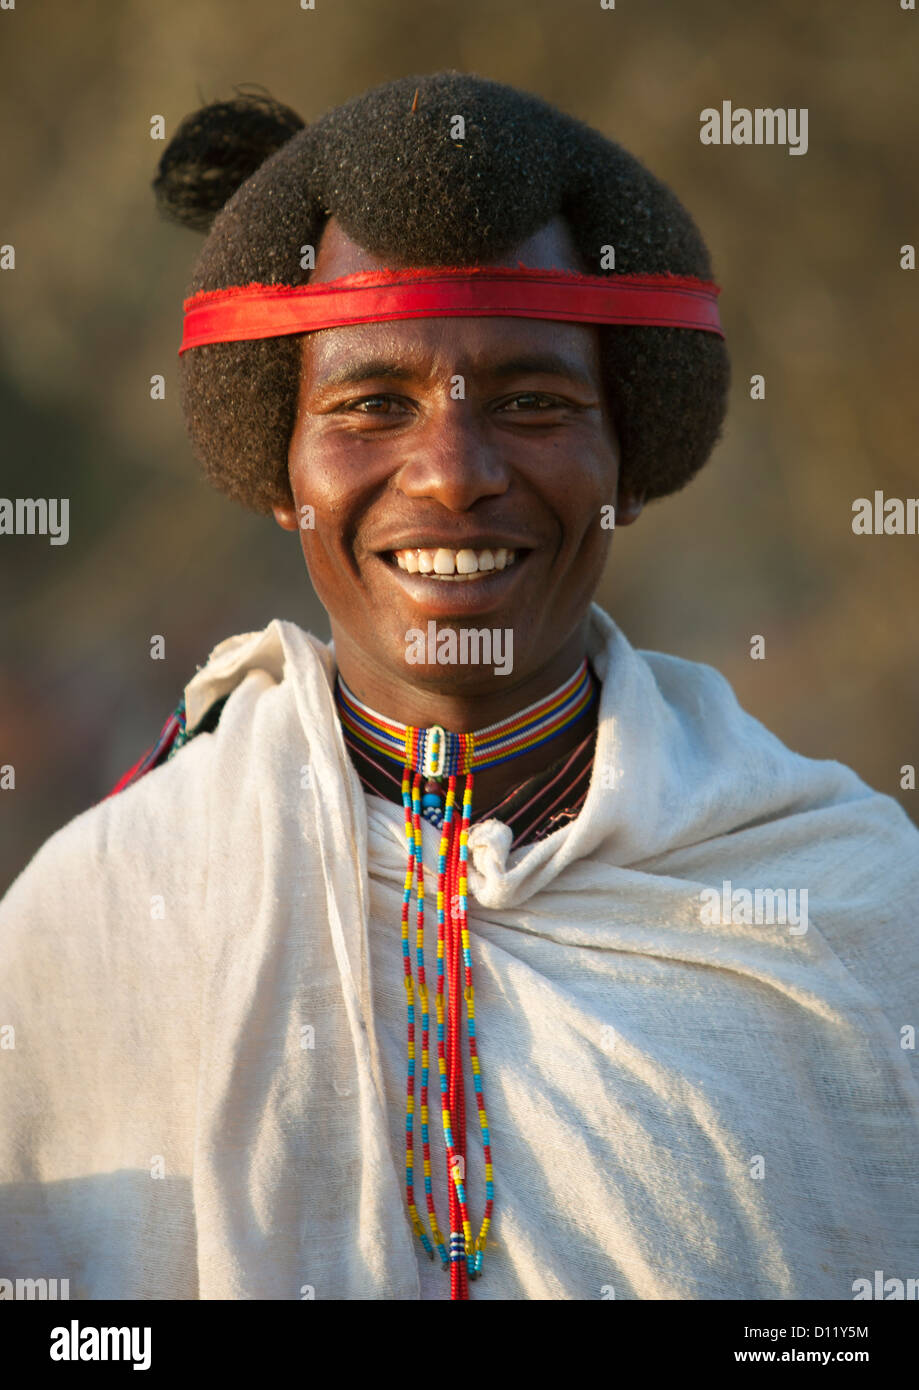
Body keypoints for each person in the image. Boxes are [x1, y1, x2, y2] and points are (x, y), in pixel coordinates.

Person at [1, 72, 917, 1302]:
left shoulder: (850, 912)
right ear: (280, 470)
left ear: (627, 461)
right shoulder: (105, 917)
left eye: (533, 403)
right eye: (371, 404)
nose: (454, 473)